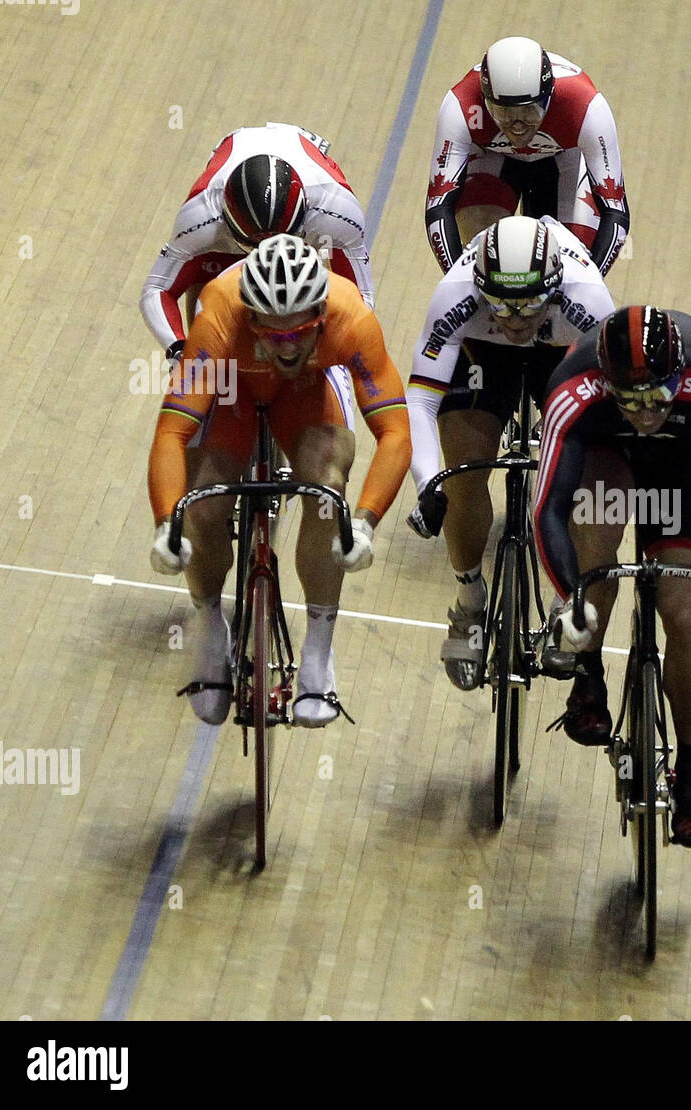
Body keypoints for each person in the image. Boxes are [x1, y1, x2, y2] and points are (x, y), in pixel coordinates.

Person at [147, 235, 410, 727]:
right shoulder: (219, 315)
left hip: (308, 392)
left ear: (321, 316)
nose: (285, 346)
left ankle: (318, 650)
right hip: (232, 387)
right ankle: (209, 626)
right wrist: (167, 522)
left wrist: (367, 520)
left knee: (327, 491)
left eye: (299, 334)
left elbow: (394, 430)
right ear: (249, 317)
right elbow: (172, 430)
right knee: (201, 507)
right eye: (272, 333)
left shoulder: (351, 318)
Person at [532, 306, 691, 847]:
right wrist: (571, 600)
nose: (643, 412)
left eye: (656, 398)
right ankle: (588, 675)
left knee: (689, 617)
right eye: (629, 400)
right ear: (604, 382)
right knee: (595, 548)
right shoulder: (572, 388)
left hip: (686, 463)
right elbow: (548, 509)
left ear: (680, 377)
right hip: (605, 453)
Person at [404, 215, 615, 690]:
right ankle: (469, 601)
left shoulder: (588, 301)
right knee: (462, 474)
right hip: (482, 352)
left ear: (556, 287)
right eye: (501, 305)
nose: (516, 319)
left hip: (559, 351)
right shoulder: (455, 295)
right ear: (480, 287)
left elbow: (611, 409)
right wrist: (428, 483)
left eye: (528, 306)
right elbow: (420, 397)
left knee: (586, 477)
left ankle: (567, 595)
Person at [140, 122, 374, 366]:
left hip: (308, 198)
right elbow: (157, 290)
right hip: (230, 221)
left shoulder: (335, 213)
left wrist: (335, 344)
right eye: (254, 247)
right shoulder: (202, 218)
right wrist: (180, 350)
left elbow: (362, 298)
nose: (266, 257)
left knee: (305, 298)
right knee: (207, 316)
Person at [424, 36, 629, 277]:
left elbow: (615, 212)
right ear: (484, 99)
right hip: (491, 156)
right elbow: (438, 207)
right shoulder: (461, 104)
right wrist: (457, 281)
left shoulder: (585, 106)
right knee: (484, 258)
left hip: (563, 159)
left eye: (530, 110)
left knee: (568, 265)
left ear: (550, 96)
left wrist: (590, 281)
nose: (518, 125)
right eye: (503, 112)